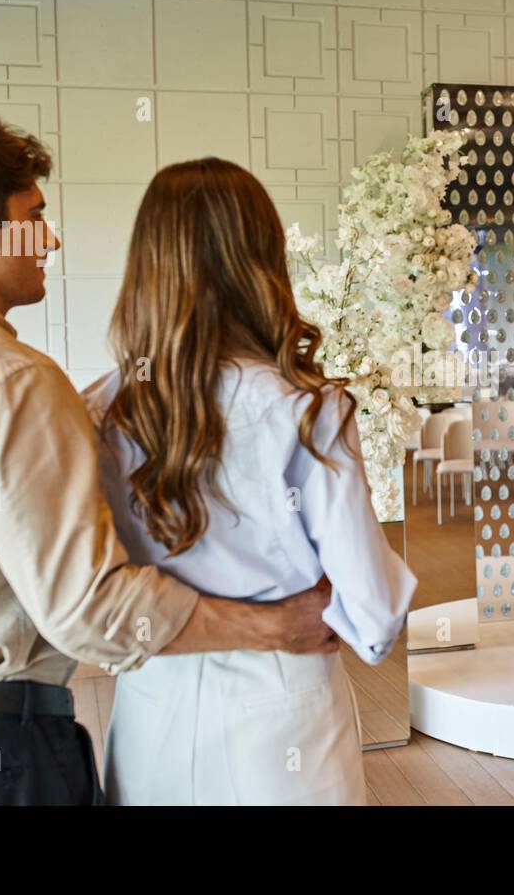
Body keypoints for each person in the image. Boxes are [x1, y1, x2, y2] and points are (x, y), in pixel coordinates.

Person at [0, 119, 336, 806]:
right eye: (35, 217)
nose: (50, 240)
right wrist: (272, 627)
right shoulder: (10, 380)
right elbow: (88, 609)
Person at [84, 158, 418, 805]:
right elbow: (373, 615)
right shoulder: (308, 409)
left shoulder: (100, 410)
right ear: (262, 259)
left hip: (153, 709)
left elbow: (95, 592)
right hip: (284, 713)